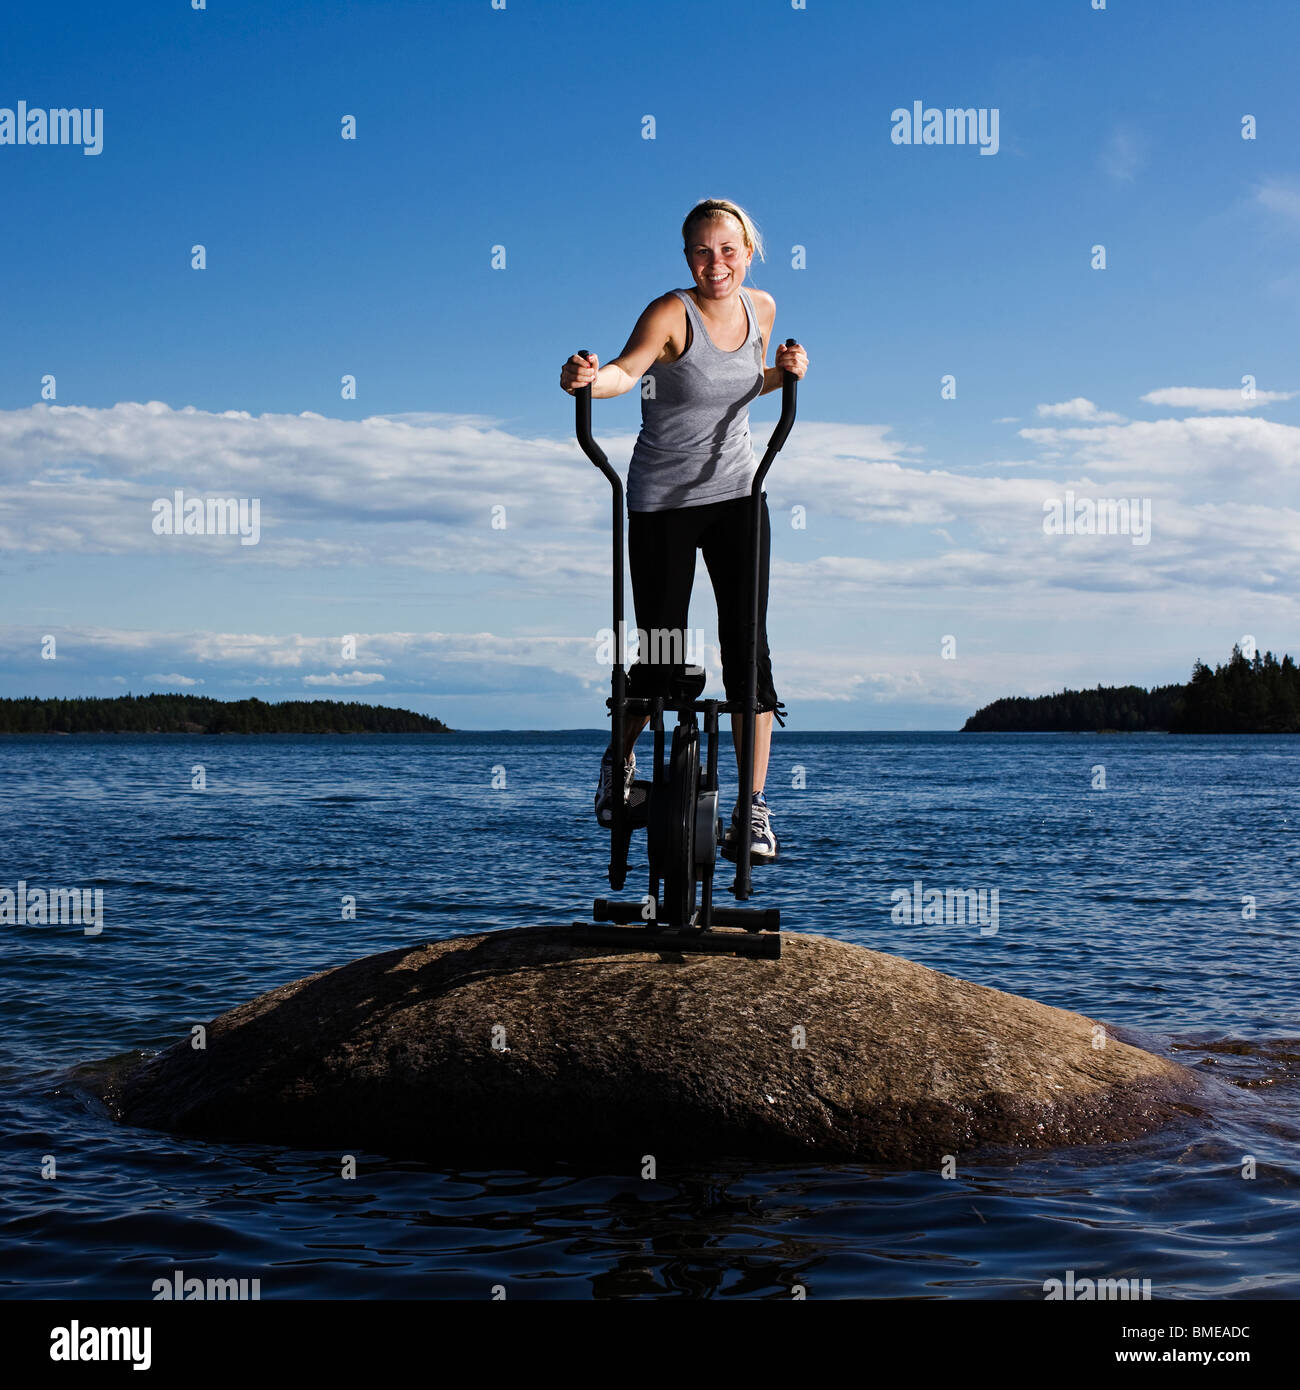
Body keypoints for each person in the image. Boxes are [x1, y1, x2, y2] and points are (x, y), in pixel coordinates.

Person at [560, 197, 808, 864]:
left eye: (727, 250)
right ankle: (619, 763)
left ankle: (752, 811)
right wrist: (589, 382)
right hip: (663, 502)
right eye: (701, 251)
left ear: (748, 251)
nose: (715, 263)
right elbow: (627, 371)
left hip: (737, 496)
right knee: (663, 657)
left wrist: (779, 376)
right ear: (686, 257)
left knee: (747, 655)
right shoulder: (671, 313)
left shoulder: (764, 309)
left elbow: (732, 386)